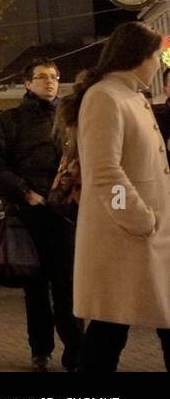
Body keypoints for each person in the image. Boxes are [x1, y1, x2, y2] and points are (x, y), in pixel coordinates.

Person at [61, 23, 170, 372]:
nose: (159, 64)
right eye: (156, 56)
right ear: (138, 57)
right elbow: (104, 173)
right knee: (110, 329)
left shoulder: (132, 95)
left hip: (143, 239)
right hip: (126, 237)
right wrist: (142, 219)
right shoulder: (105, 97)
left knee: (111, 330)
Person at [0, 58, 83, 372]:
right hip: (30, 214)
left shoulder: (70, 119)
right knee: (36, 287)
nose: (49, 82)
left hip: (66, 214)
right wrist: (24, 192)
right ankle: (40, 350)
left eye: (54, 76)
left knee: (67, 286)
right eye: (41, 77)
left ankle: (75, 353)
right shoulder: (10, 121)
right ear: (28, 83)